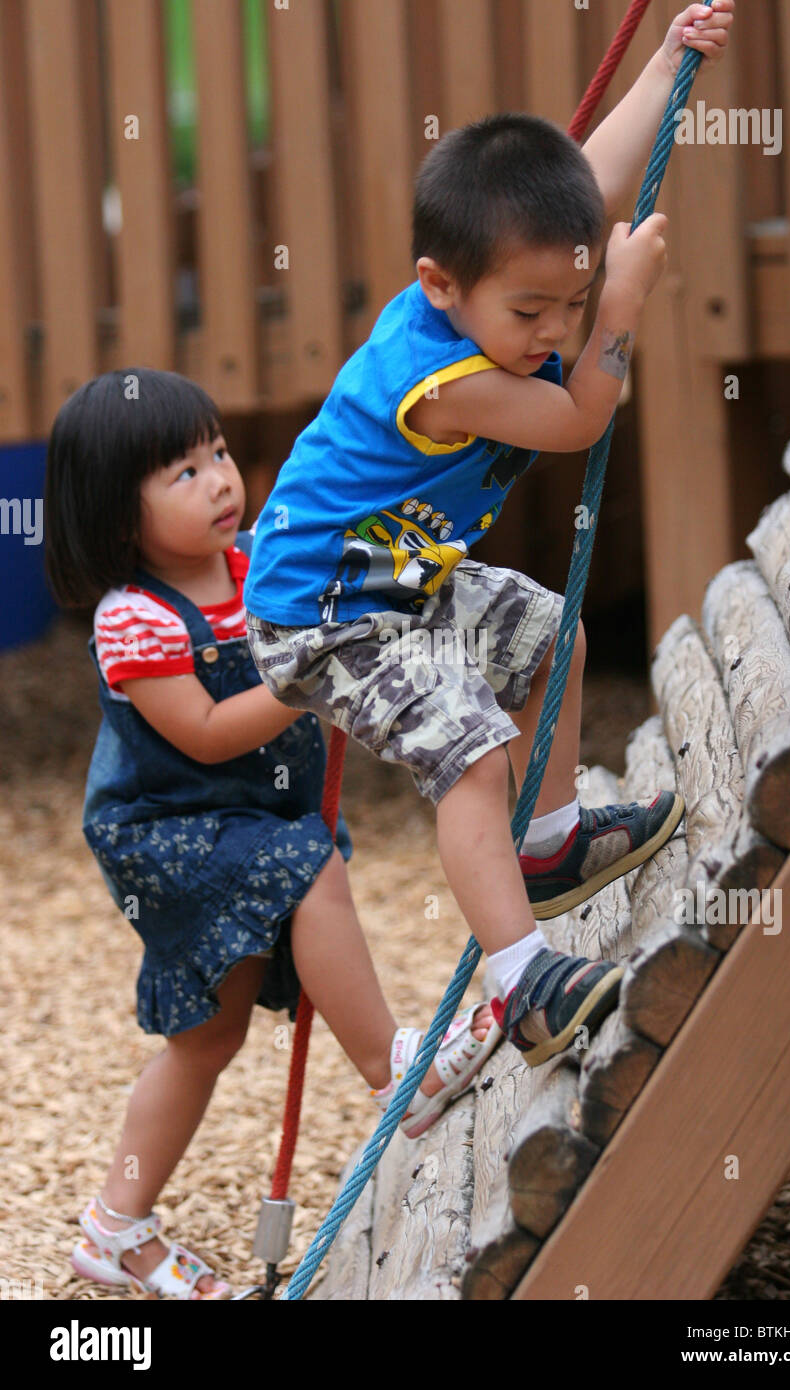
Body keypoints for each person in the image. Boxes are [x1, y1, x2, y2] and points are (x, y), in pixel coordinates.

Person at [245, 5, 734, 1065]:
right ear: (440, 287)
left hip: (394, 578)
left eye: (568, 302)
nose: (554, 329)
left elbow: (585, 181)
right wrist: (618, 313)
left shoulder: (494, 297)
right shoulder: (453, 380)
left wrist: (663, 63)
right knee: (470, 751)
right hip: (324, 609)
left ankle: (550, 841)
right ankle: (521, 986)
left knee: (548, 637)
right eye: (531, 311)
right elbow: (575, 420)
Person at [44, 369, 501, 1300]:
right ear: (116, 515)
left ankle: (114, 1226)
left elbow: (339, 590)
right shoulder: (131, 621)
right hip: (166, 835)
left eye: (216, 452)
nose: (219, 478)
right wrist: (307, 676)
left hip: (249, 820)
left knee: (205, 1043)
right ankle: (394, 1072)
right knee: (309, 872)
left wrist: (397, 559)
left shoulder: (257, 565)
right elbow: (207, 735)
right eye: (181, 471)